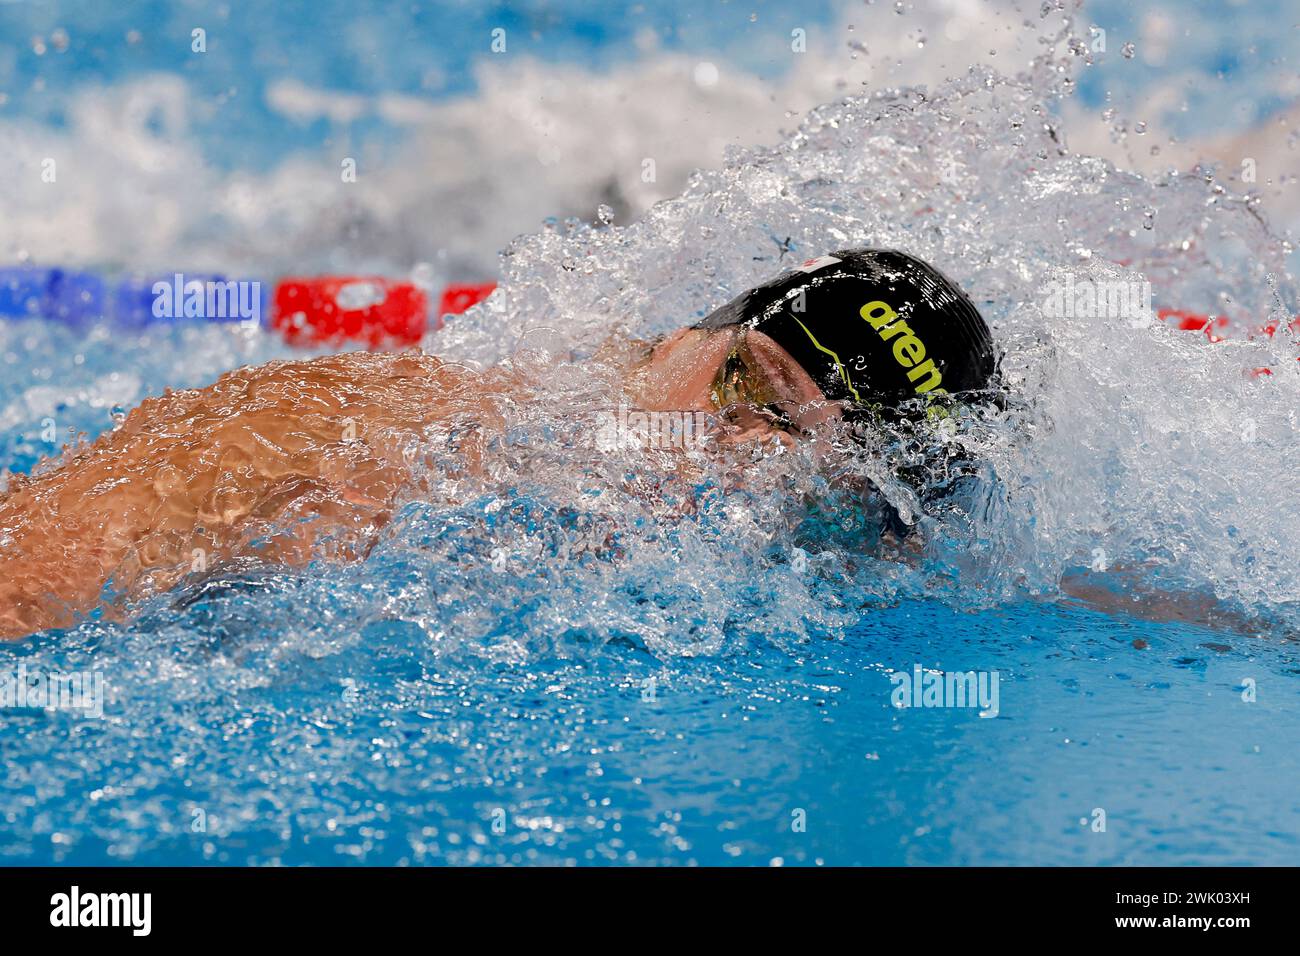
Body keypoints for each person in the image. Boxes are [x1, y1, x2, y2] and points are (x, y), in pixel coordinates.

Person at [0, 249, 999, 640]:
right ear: (693, 332)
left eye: (805, 470)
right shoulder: (362, 438)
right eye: (745, 389)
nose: (722, 458)